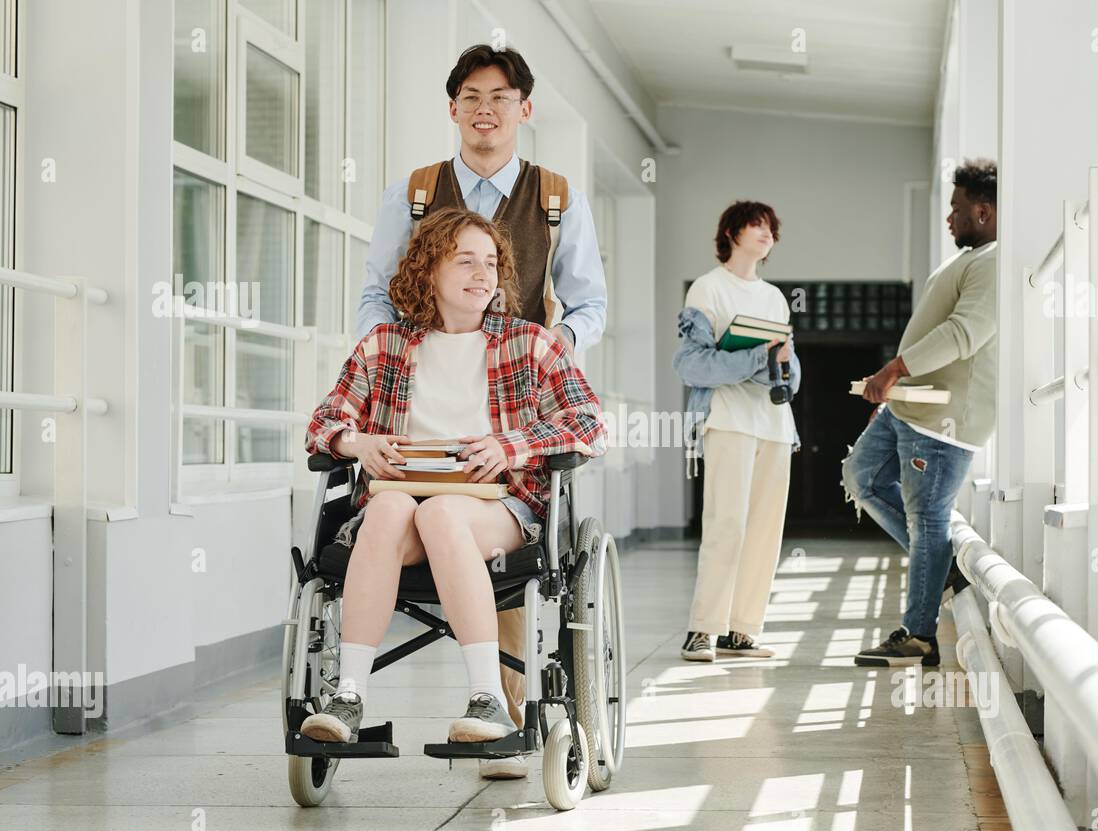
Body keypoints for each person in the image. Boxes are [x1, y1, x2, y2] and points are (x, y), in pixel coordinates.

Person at [353, 43, 608, 778]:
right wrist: (388, 360)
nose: (485, 109)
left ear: (524, 110)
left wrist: (539, 352)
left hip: (513, 408)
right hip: (421, 392)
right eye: (470, 96)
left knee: (504, 564)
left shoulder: (557, 199)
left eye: (500, 97)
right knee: (401, 509)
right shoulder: (413, 192)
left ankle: (505, 709)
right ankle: (354, 688)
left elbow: (588, 304)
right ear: (453, 108)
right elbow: (376, 293)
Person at [300, 208, 606, 765]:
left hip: (498, 509)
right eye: (465, 260)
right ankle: (348, 697)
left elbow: (587, 424)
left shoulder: (532, 343)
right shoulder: (384, 345)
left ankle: (487, 698)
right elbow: (322, 424)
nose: (482, 273)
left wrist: (509, 446)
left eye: (490, 262)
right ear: (429, 269)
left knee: (441, 511)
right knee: (390, 506)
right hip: (402, 507)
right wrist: (358, 443)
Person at [841, 159, 998, 667]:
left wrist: (891, 372)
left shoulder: (994, 261)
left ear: (984, 209)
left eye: (956, 209)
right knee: (859, 475)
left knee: (927, 518)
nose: (950, 218)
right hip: (912, 406)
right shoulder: (968, 259)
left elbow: (962, 335)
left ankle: (919, 636)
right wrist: (895, 391)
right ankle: (944, 563)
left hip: (945, 417)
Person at [673, 201, 802, 663]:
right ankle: (703, 629)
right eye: (757, 225)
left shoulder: (773, 297)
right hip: (727, 420)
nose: (767, 234)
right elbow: (692, 365)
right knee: (726, 524)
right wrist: (756, 359)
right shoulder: (707, 290)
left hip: (774, 424)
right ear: (731, 232)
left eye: (772, 227)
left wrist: (778, 364)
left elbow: (791, 371)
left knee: (766, 530)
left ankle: (744, 630)